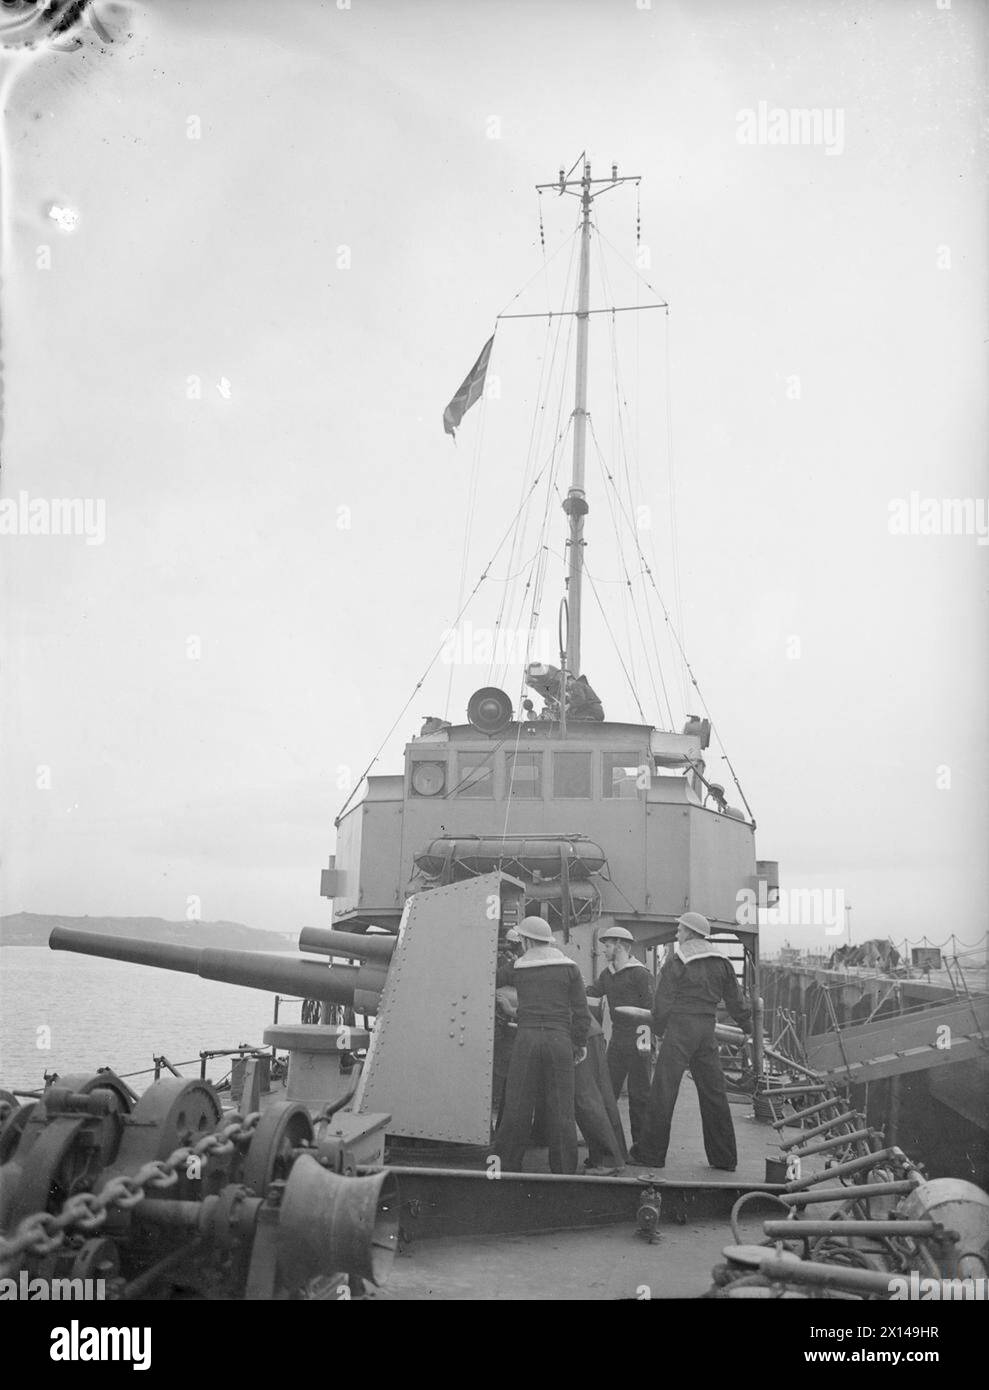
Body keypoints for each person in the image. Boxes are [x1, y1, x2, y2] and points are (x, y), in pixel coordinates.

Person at [629, 912, 751, 1172]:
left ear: (691, 933)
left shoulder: (678, 960)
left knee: (663, 1091)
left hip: (681, 1028)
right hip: (707, 1030)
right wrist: (747, 1026)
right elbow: (736, 1001)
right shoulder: (723, 962)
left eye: (680, 931)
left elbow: (662, 1003)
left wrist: (660, 1030)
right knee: (714, 1093)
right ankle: (724, 1158)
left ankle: (651, 1155)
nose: (677, 934)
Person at [491, 916, 590, 1174]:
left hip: (527, 1039)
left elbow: (491, 978)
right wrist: (578, 1043)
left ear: (525, 940)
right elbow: (581, 1013)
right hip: (560, 1039)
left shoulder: (518, 967)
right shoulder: (570, 968)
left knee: (517, 1105)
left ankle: (507, 1166)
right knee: (562, 1109)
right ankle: (564, 1171)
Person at [587, 926, 653, 1147]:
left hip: (639, 1037)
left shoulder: (640, 974)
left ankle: (641, 1146)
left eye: (607, 945)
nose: (604, 950)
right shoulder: (607, 975)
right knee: (607, 1090)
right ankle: (608, 1144)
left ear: (620, 946)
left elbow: (651, 1010)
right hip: (618, 1038)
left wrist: (645, 1047)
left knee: (640, 1094)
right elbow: (592, 994)